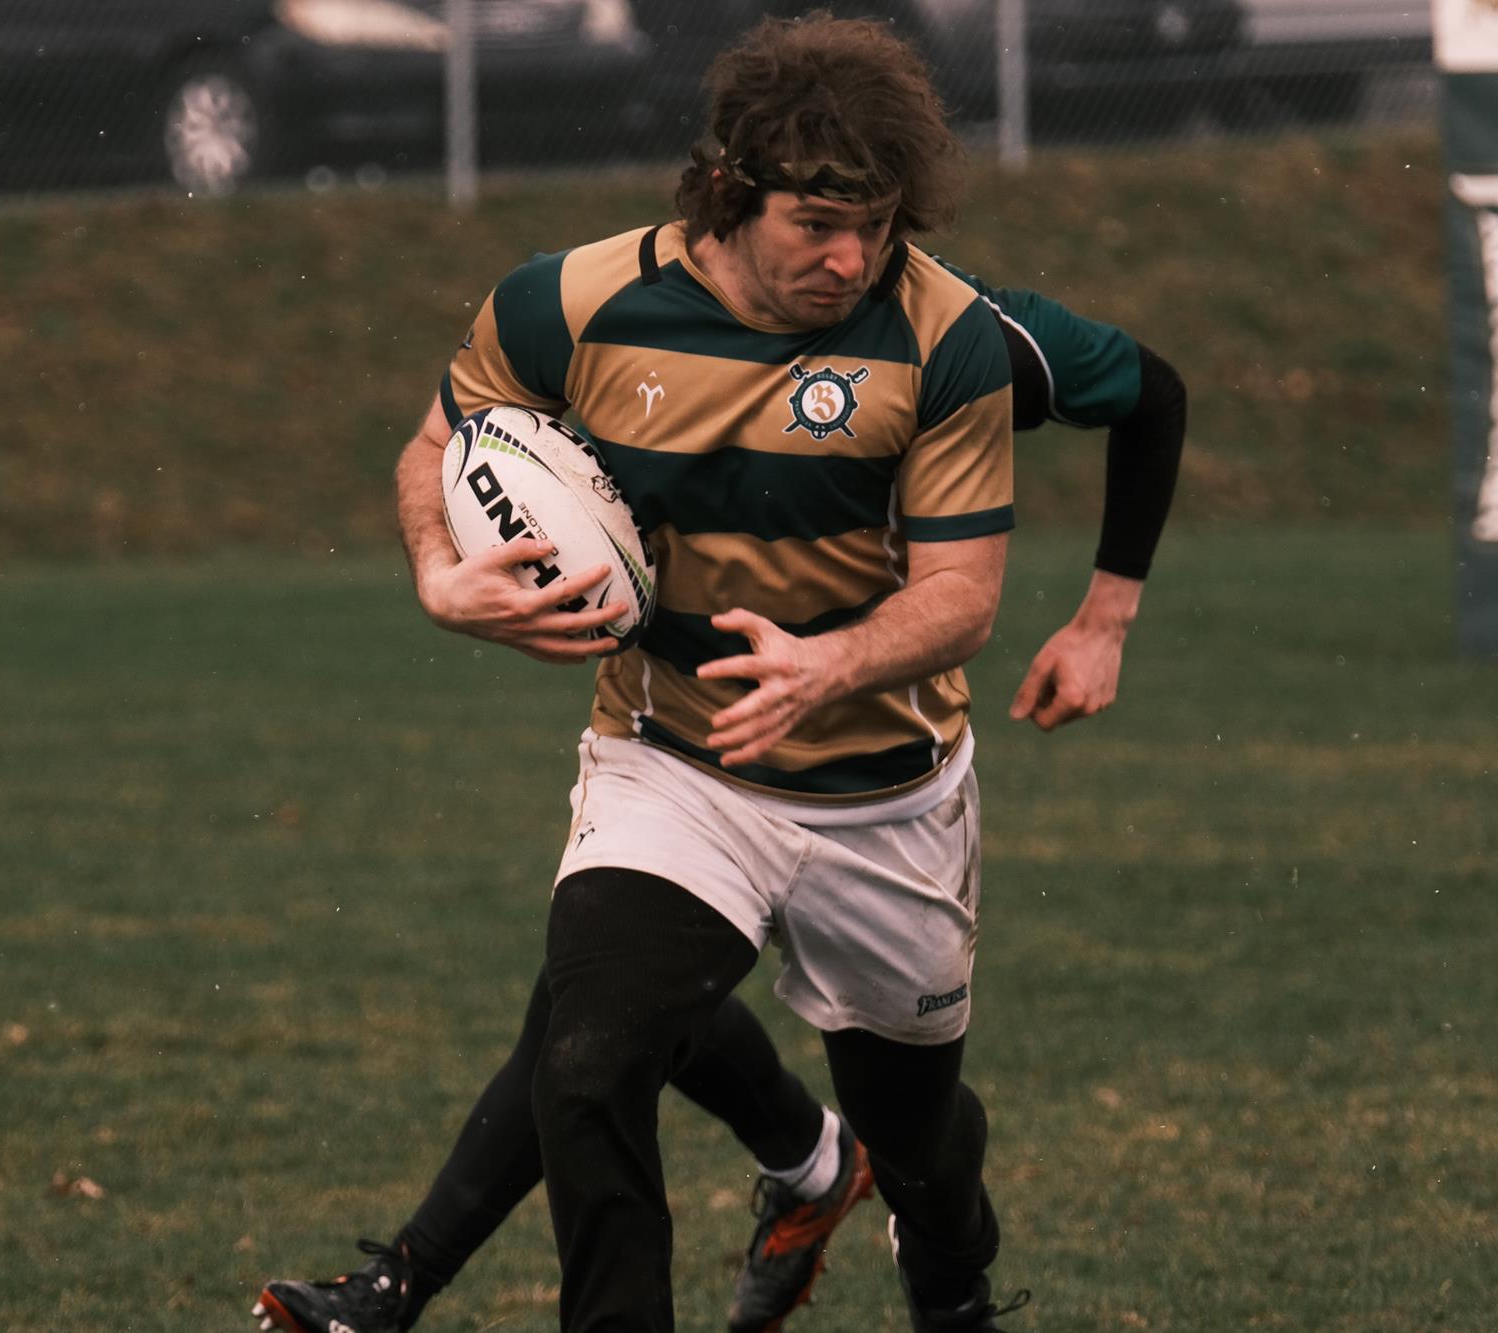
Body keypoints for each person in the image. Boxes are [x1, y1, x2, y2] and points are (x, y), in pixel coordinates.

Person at [256, 12, 1185, 1333]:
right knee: (588, 1053)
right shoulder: (569, 305)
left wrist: (914, 649)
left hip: (884, 796)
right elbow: (438, 441)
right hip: (674, 763)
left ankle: (946, 1259)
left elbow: (963, 601)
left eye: (875, 222)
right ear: (732, 192)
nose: (851, 256)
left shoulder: (947, 337)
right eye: (817, 221)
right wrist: (436, 568)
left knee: (917, 1134)